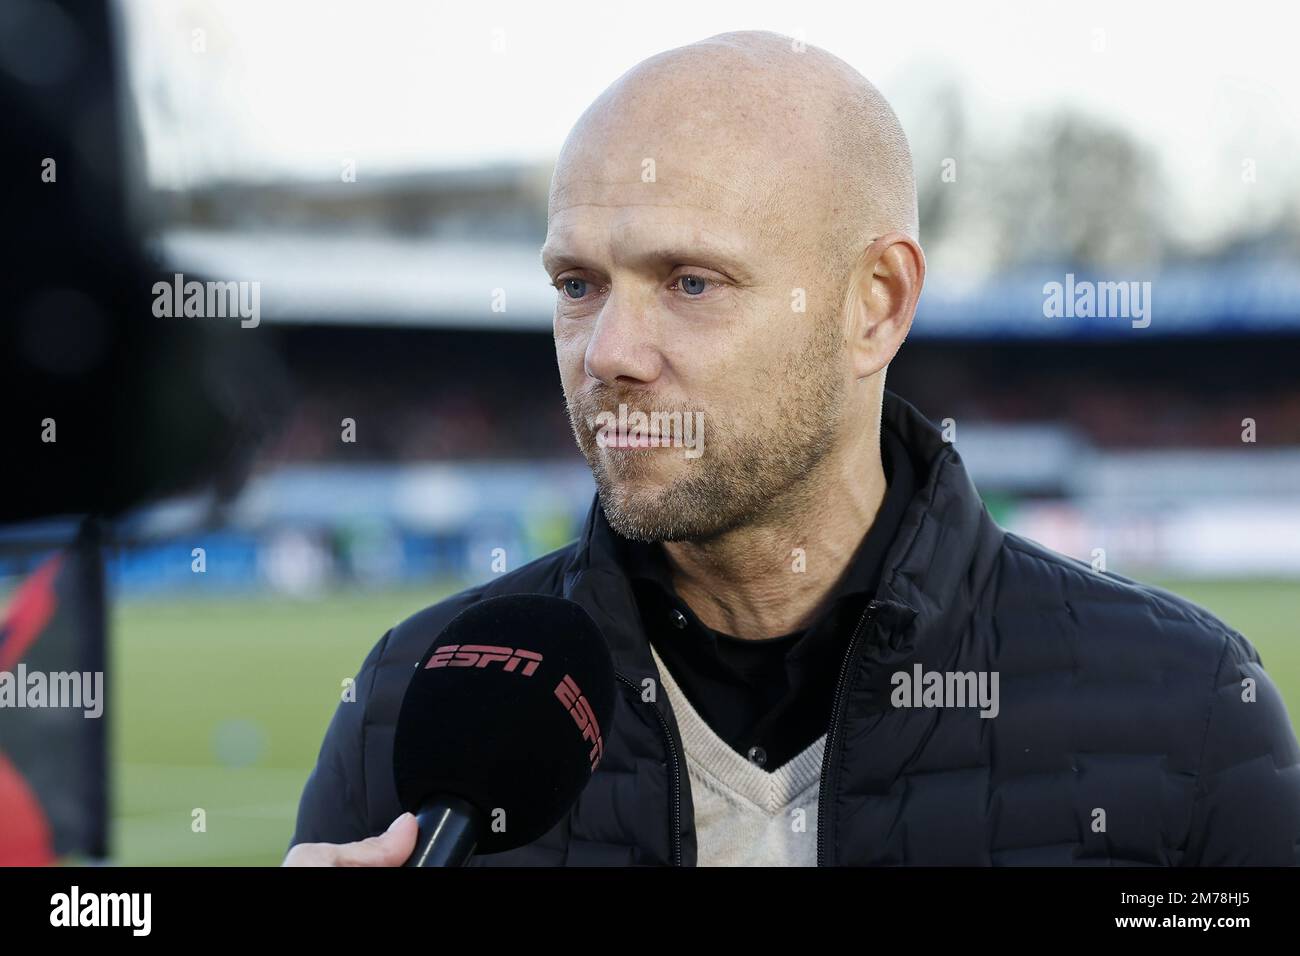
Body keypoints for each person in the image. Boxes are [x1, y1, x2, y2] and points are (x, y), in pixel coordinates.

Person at [284, 30, 1300, 866]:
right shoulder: (411, 706)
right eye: (577, 285)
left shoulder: (1188, 713)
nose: (609, 354)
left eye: (691, 282)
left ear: (876, 304)